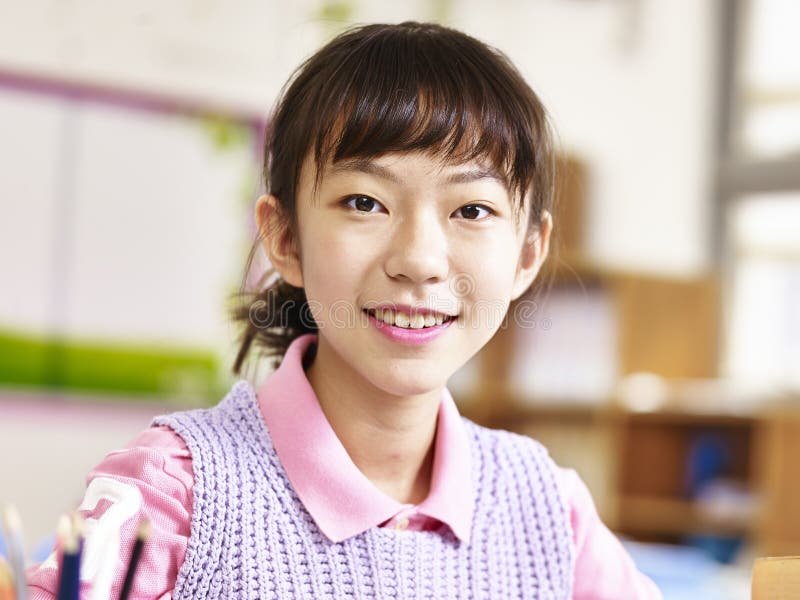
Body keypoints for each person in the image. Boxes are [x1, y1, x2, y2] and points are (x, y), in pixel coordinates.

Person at [27, 21, 661, 599]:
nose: (419, 258)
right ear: (285, 239)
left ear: (528, 254)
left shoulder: (550, 513)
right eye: (364, 202)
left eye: (471, 210)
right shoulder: (174, 492)